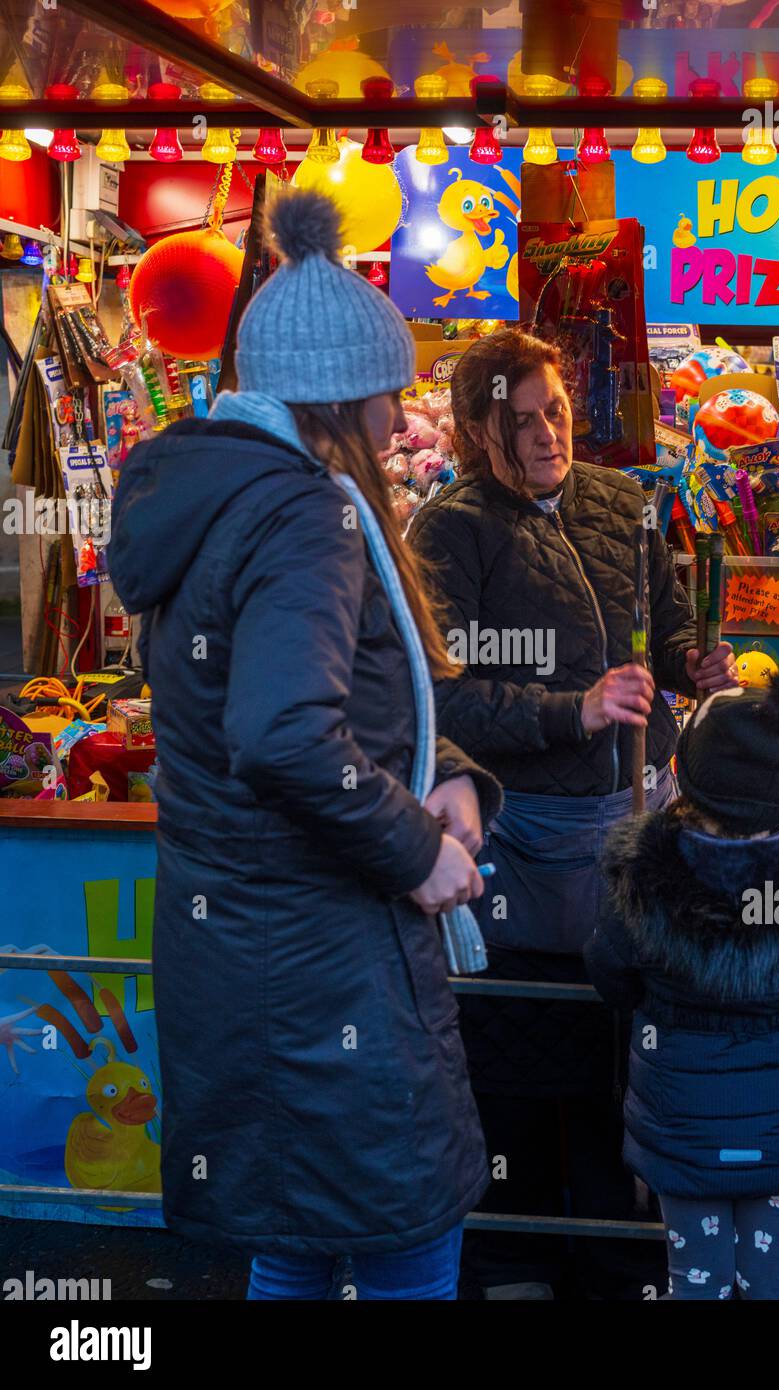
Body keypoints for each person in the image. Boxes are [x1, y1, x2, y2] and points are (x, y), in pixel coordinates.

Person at [108, 190, 502, 1301]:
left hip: (253, 950)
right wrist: (414, 849)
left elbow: (328, 704)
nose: (398, 419)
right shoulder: (300, 515)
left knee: (294, 1232)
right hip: (322, 958)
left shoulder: (229, 493)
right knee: (401, 1236)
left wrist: (451, 779)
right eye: (387, 392)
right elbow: (284, 731)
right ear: (338, 395)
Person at [409, 328, 738, 1300]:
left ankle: (618, 1259)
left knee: (621, 1051)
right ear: (474, 430)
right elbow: (443, 697)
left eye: (554, 409)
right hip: (520, 840)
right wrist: (573, 709)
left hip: (633, 824)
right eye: (520, 421)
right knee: (514, 1056)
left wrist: (691, 661)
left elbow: (664, 619)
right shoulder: (448, 528)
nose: (547, 432)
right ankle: (513, 1259)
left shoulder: (617, 498)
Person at [585, 665, 779, 1300]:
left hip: (680, 1125)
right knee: (778, 1281)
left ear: (690, 774)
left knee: (694, 1282)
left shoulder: (644, 872)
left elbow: (611, 975)